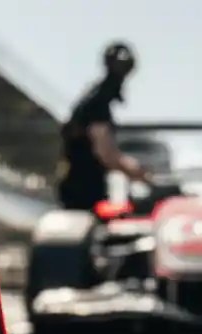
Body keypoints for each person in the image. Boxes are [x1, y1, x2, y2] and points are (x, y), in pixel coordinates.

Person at [56, 41, 151, 210]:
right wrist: (141, 173)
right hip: (82, 192)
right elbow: (106, 154)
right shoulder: (98, 104)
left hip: (82, 187)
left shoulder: (94, 97)